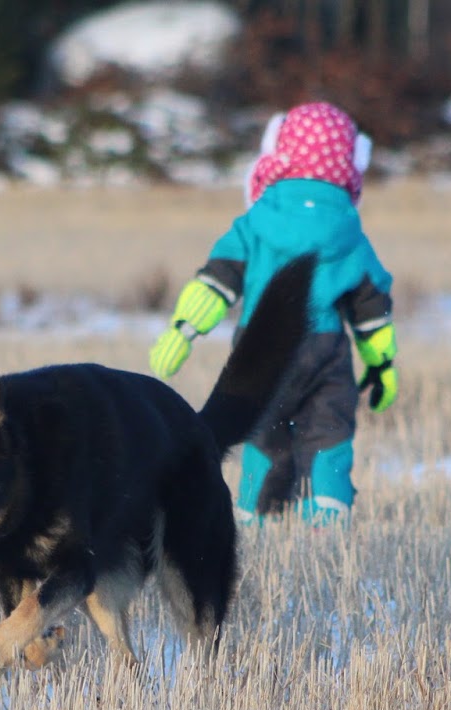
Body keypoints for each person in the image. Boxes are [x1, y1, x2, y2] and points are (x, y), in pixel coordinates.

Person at [149, 101, 397, 523]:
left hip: (261, 347)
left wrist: (183, 331)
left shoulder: (254, 221)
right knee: (330, 432)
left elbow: (217, 280)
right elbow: (372, 305)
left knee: (261, 433)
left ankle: (254, 514)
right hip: (327, 349)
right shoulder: (349, 230)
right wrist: (382, 362)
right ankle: (327, 518)